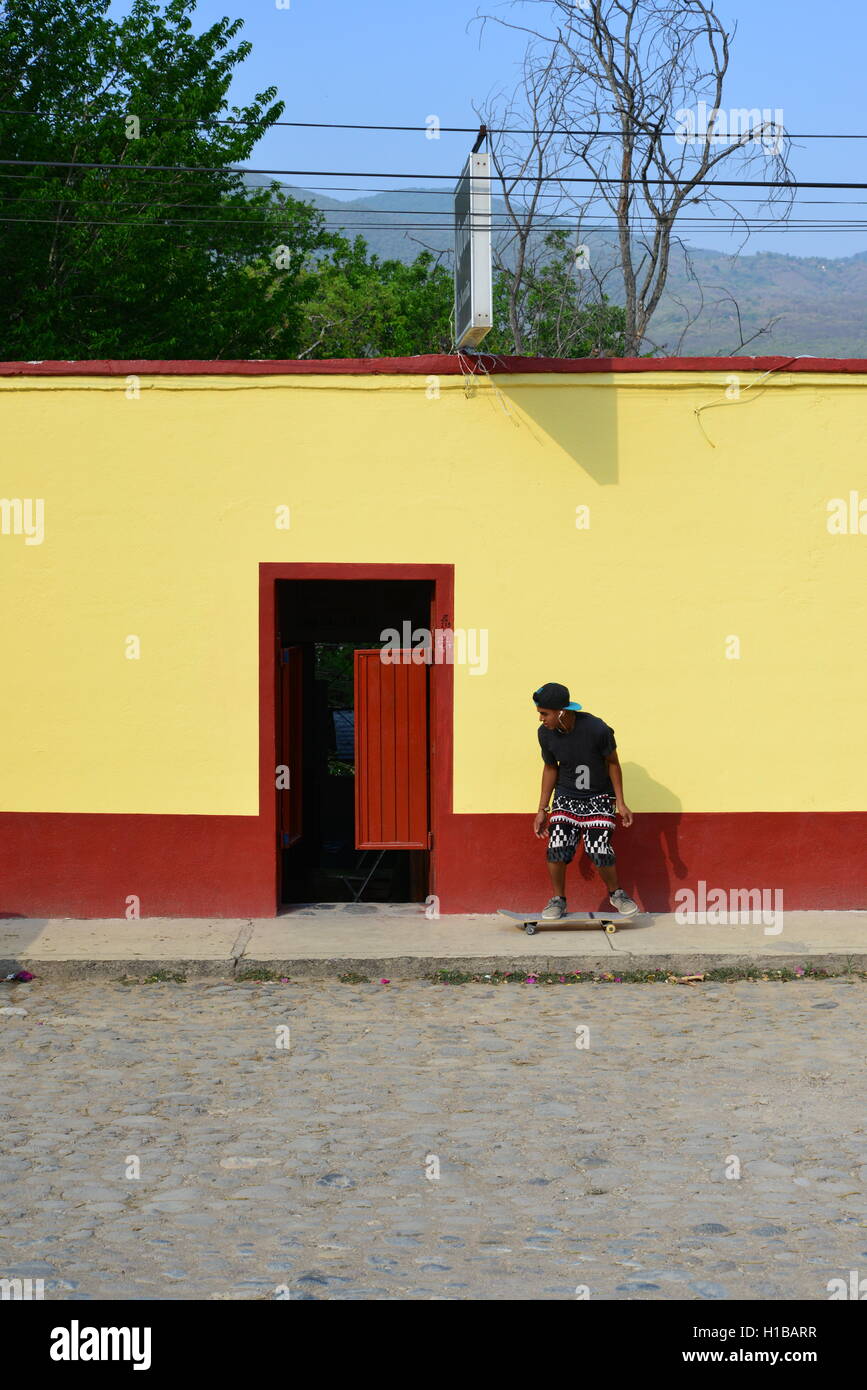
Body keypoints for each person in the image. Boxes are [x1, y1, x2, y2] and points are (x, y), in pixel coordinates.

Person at [532, 682, 639, 920]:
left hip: (598, 798)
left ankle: (617, 894)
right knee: (557, 847)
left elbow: (613, 763)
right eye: (540, 713)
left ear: (561, 711)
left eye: (544, 713)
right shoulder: (545, 734)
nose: (541, 719)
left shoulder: (596, 729)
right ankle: (558, 900)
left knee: (598, 848)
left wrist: (620, 803)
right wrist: (542, 809)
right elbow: (550, 768)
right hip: (566, 797)